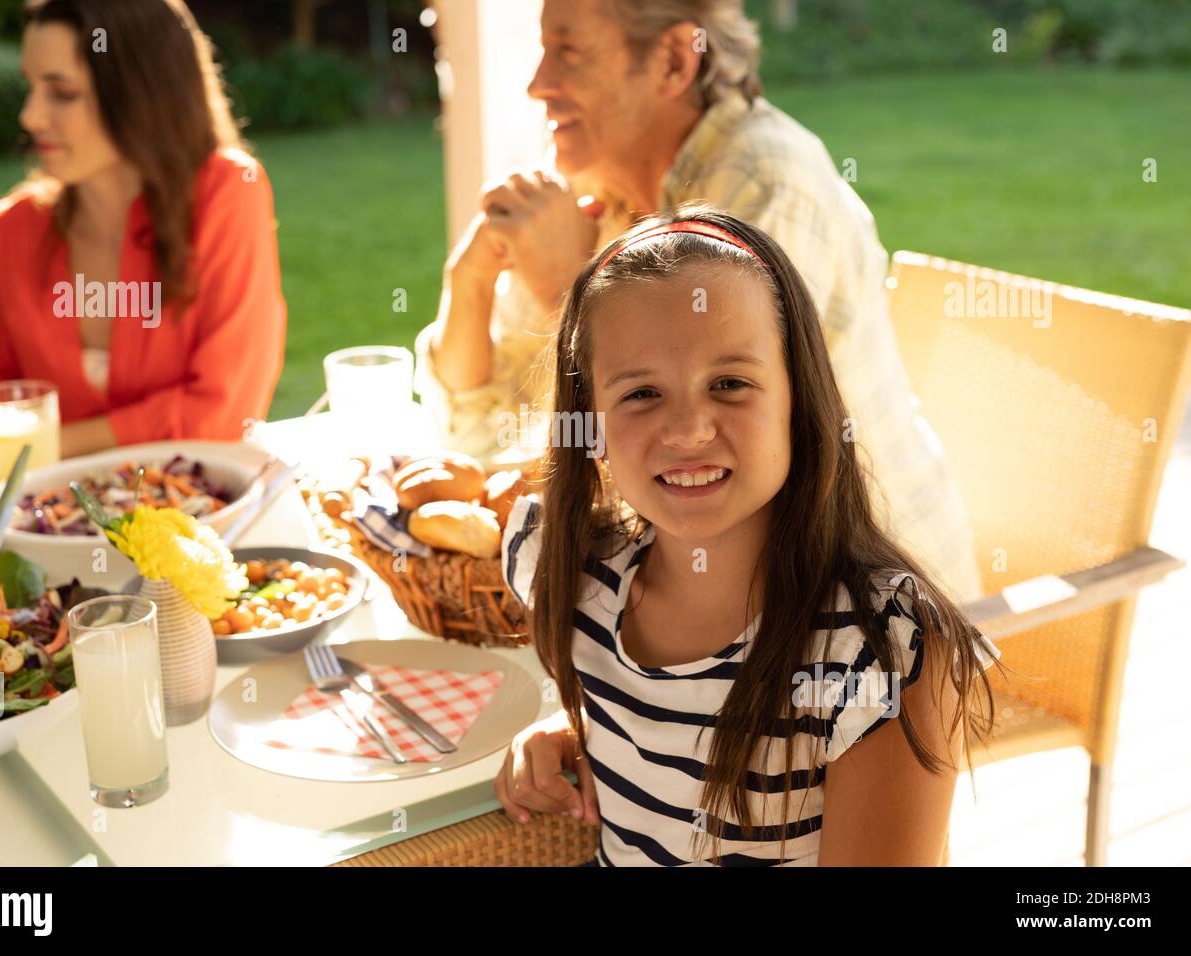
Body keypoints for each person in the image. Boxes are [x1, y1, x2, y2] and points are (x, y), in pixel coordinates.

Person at [415, 0, 982, 603]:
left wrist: (568, 292)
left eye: (569, 51)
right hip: (687, 603)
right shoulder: (597, 194)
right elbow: (485, 442)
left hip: (859, 620)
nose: (537, 84)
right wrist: (469, 284)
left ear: (673, 61)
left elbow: (702, 465)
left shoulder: (762, 185)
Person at [493, 208, 1004, 866]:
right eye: (642, 393)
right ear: (590, 426)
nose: (687, 430)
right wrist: (576, 731)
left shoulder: (877, 655)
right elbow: (665, 729)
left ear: (800, 399)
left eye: (730, 384)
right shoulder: (572, 572)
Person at [0, 0, 287, 458]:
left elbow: (225, 411)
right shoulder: (6, 235)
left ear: (140, 91)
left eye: (62, 92)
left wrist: (51, 445)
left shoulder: (228, 193)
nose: (31, 116)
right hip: (49, 523)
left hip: (201, 514)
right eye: (32, 88)